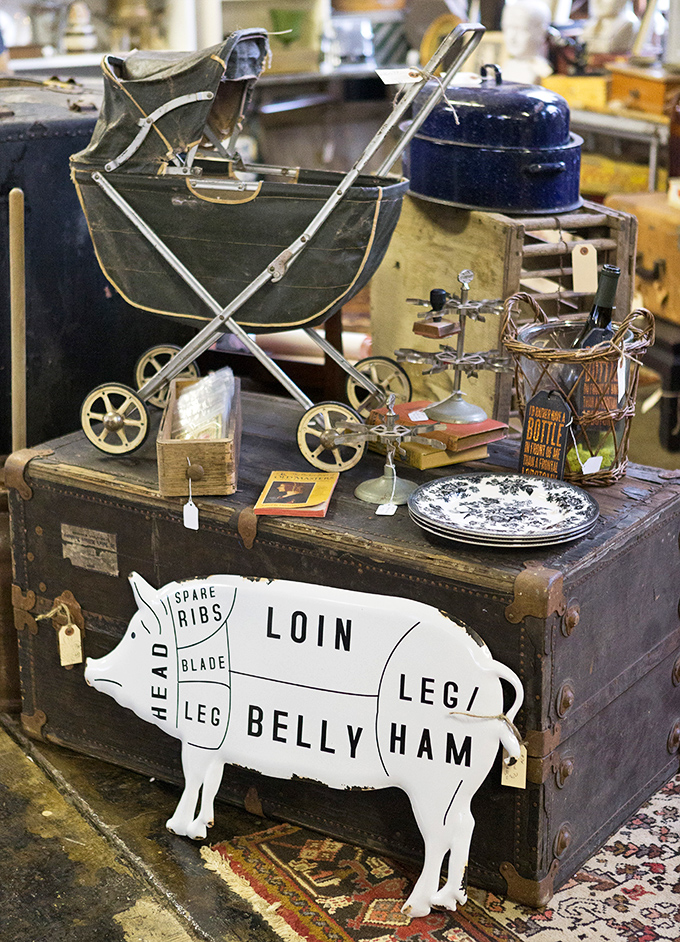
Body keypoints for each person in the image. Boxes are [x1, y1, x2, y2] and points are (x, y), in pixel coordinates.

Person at [501, 0, 553, 84]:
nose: (512, 38)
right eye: (507, 28)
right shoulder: (507, 67)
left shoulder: (541, 71)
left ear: (541, 31)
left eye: (520, 29)